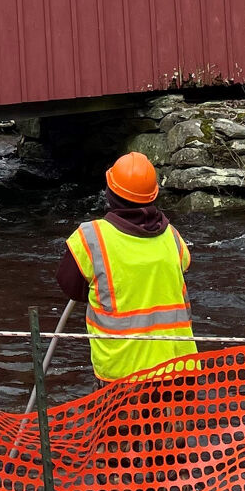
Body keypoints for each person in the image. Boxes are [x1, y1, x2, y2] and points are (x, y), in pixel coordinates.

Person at [56, 152, 198, 382]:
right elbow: (183, 267)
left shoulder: (90, 237)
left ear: (110, 194)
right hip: (177, 368)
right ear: (153, 196)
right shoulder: (172, 237)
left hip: (123, 374)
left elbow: (71, 287)